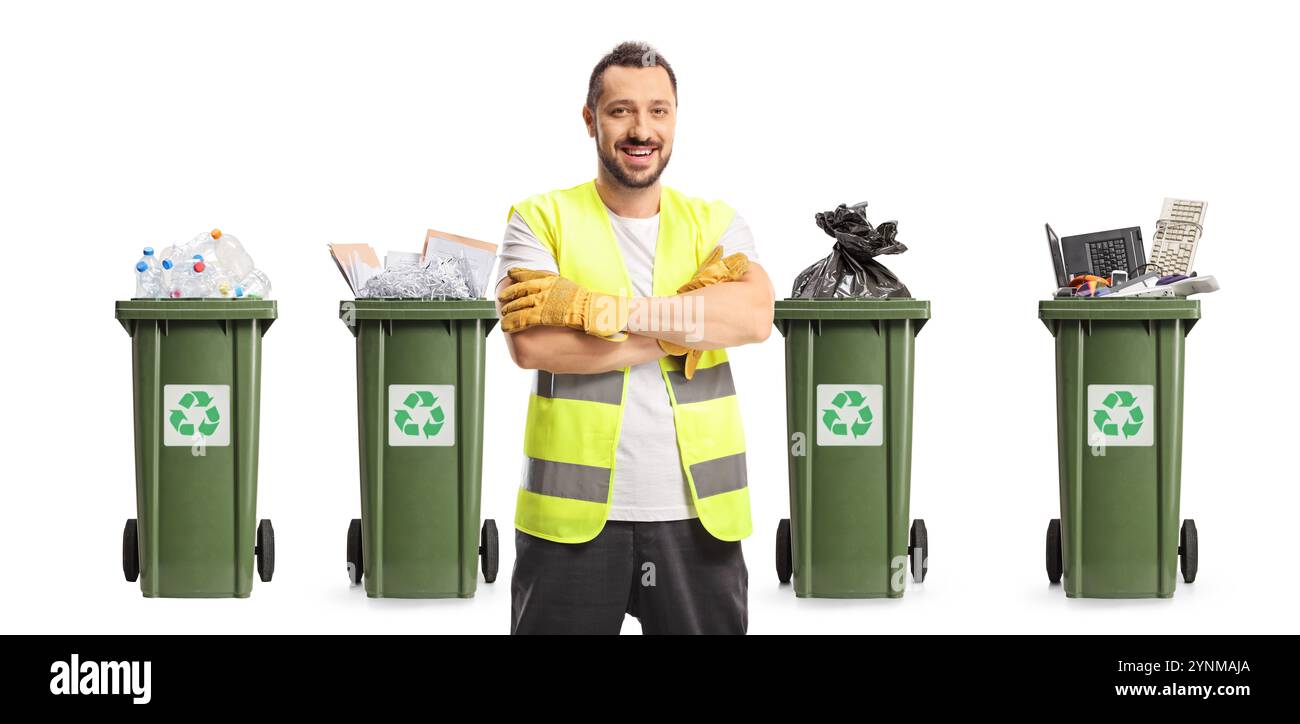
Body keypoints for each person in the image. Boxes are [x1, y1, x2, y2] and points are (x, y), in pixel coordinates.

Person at [495, 41, 774, 634]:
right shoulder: (539, 218)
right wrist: (685, 327)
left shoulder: (717, 223)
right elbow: (534, 347)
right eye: (621, 110)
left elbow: (752, 317)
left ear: (675, 119)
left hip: (699, 518)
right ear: (591, 120)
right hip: (569, 523)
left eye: (658, 110)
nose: (641, 129)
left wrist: (599, 310)